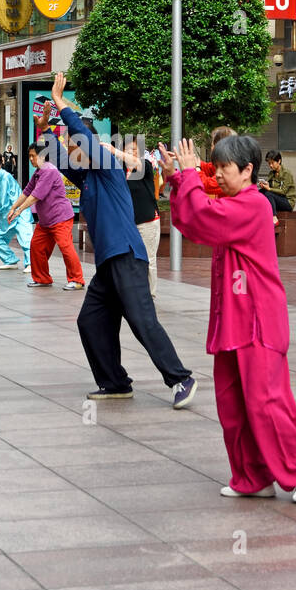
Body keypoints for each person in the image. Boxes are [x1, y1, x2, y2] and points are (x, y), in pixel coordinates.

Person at [162, 135, 296, 501]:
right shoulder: (235, 202)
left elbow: (202, 216)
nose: (217, 175)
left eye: (225, 168)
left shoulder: (252, 205)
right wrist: (177, 179)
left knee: (267, 401)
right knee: (232, 403)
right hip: (234, 319)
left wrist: (187, 177)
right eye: (215, 167)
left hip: (258, 322)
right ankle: (252, 477)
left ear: (248, 170)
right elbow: (193, 223)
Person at [42, 74, 196, 406]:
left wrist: (60, 102)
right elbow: (53, 155)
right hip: (109, 264)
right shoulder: (87, 177)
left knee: (142, 320)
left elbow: (82, 137)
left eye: (76, 145)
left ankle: (181, 378)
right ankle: (114, 382)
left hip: (126, 256)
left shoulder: (108, 164)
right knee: (90, 320)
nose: (71, 149)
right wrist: (46, 126)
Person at [7, 140, 85, 289]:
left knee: (65, 247)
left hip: (60, 218)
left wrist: (19, 211)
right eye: (29, 156)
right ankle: (42, 278)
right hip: (46, 221)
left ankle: (77, 280)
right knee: (36, 247)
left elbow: (36, 195)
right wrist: (13, 208)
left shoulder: (49, 170)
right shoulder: (38, 172)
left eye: (33, 156)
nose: (31, 159)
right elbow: (27, 192)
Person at [102, 137, 161, 298]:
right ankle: (133, 292)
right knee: (129, 259)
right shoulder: (122, 172)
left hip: (147, 221)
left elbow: (136, 162)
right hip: (128, 224)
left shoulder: (145, 166)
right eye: (127, 150)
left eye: (134, 150)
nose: (130, 153)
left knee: (148, 260)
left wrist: (115, 151)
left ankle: (150, 295)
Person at [258, 150, 296, 215]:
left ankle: (274, 217)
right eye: (269, 163)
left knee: (268, 193)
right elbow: (269, 187)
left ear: (279, 161)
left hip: (287, 202)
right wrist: (264, 185)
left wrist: (269, 189)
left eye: (272, 163)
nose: (270, 165)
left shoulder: (286, 173)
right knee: (260, 192)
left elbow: (283, 191)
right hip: (277, 199)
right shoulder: (271, 173)